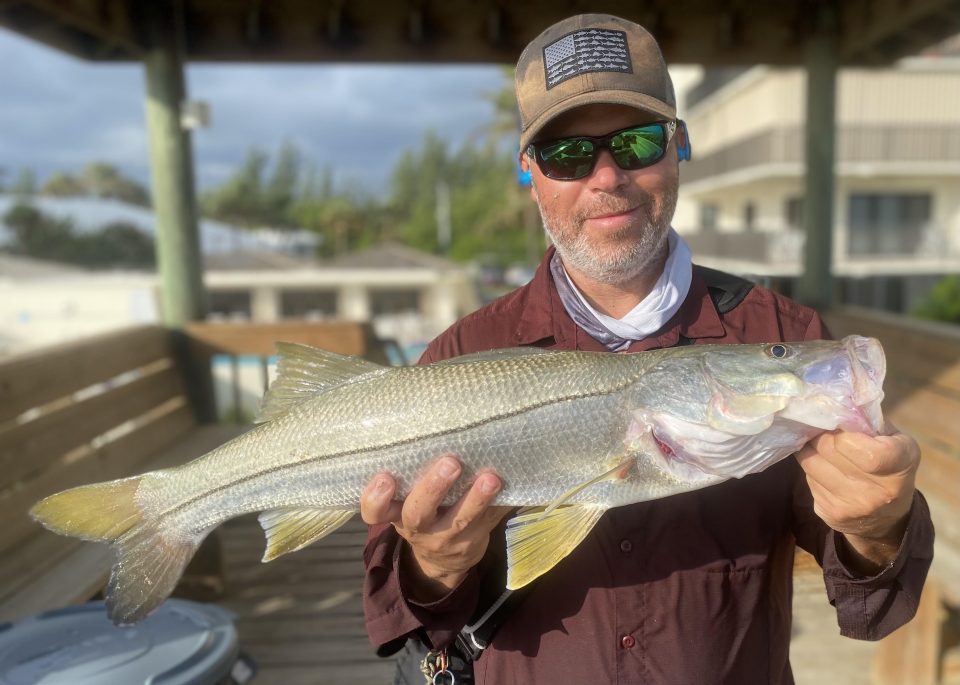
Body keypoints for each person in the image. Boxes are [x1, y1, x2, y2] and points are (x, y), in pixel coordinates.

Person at [360, 13, 934, 684]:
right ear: (529, 170)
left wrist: (880, 525)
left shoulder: (784, 331)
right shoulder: (463, 351)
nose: (606, 177)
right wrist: (432, 563)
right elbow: (401, 608)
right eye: (567, 154)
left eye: (635, 143)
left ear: (678, 146)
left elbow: (873, 600)